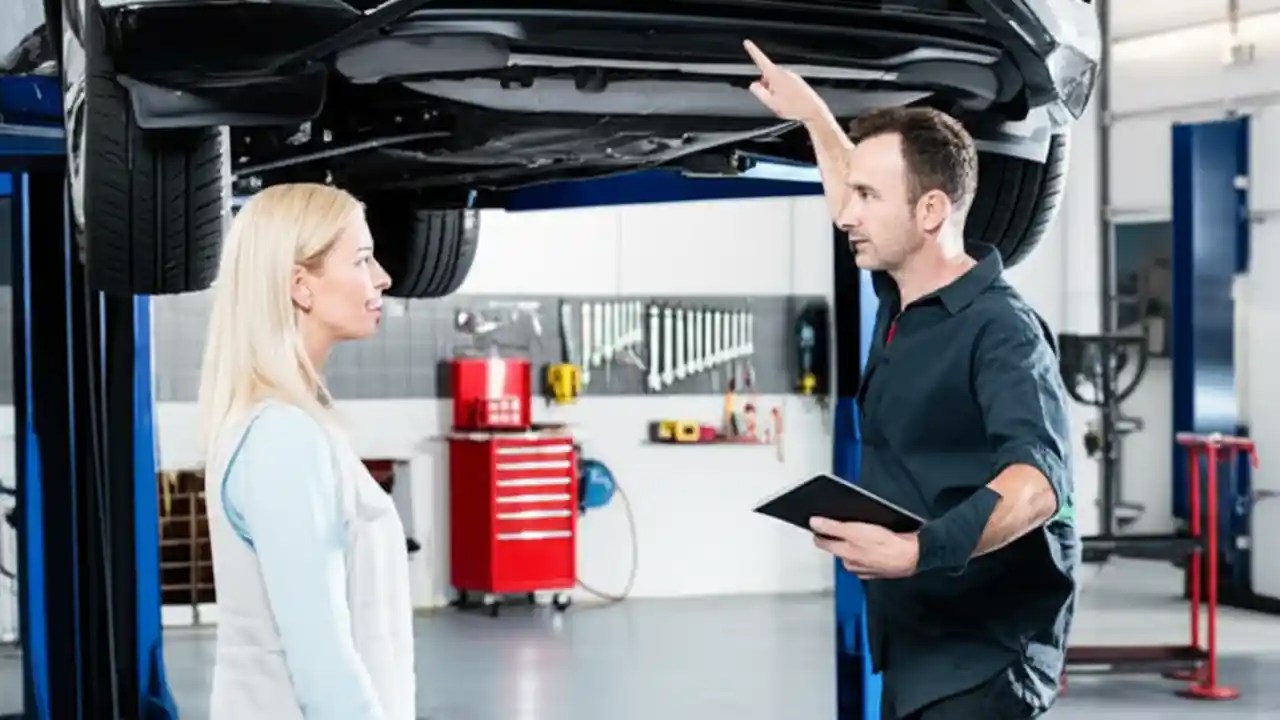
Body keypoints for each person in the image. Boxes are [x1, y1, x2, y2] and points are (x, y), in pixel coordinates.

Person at [743, 40, 1077, 720]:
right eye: (854, 194)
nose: (847, 214)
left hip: (984, 662)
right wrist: (812, 114)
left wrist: (917, 551)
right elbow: (848, 189)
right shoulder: (904, 298)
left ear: (929, 212)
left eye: (869, 197)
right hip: (920, 643)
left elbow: (1038, 485)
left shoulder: (1001, 330)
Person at [196, 183, 415, 720]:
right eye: (362, 260)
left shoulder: (282, 424)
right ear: (301, 286)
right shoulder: (281, 438)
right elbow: (323, 667)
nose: (382, 278)